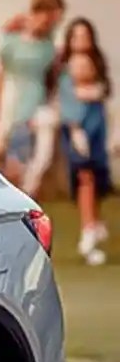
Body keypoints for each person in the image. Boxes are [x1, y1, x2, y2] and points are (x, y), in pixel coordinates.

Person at [0, 0, 66, 198]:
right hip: (8, 102)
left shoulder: (49, 45)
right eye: (51, 18)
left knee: (24, 163)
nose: (52, 25)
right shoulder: (11, 39)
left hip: (33, 105)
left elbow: (52, 78)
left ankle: (22, 201)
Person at [55, 17, 112, 264]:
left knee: (97, 180)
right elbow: (67, 103)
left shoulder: (98, 67)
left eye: (85, 36)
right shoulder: (65, 70)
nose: (81, 41)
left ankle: (94, 224)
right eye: (76, 36)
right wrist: (76, 131)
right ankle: (87, 232)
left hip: (97, 127)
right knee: (85, 178)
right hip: (78, 130)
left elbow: (105, 95)